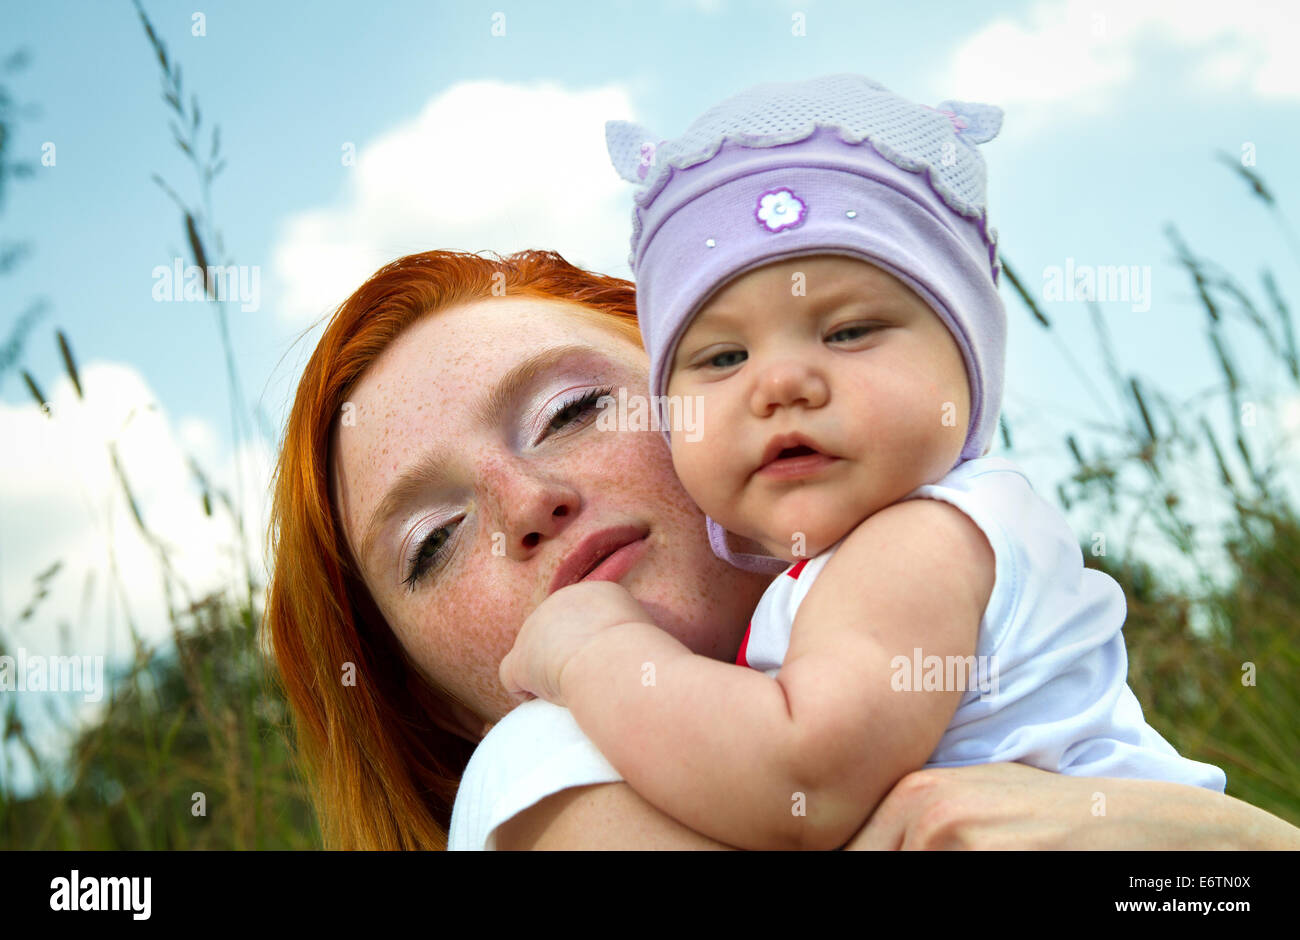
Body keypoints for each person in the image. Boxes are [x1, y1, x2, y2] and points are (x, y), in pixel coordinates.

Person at [264, 247, 1297, 851]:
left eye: (574, 408)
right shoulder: (539, 775)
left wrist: (1210, 841)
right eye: (434, 541)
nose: (524, 500)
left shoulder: (950, 554)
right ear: (433, 697)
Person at [498, 75, 1226, 851]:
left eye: (846, 332)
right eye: (722, 356)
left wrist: (595, 649)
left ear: (968, 363)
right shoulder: (855, 565)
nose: (779, 384)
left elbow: (802, 780)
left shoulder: (926, 540)